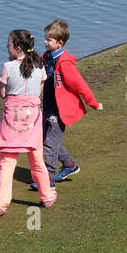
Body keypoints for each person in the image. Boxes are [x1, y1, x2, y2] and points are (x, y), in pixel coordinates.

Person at [0, 30, 56, 217]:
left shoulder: (8, 67)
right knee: (36, 159)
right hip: (33, 117)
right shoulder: (40, 65)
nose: (7, 47)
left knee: (7, 161)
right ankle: (46, 196)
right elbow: (38, 92)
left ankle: (1, 204)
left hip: (12, 117)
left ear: (17, 48)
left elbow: (2, 93)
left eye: (9, 44)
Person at [38, 19, 103, 191]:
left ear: (59, 43)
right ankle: (70, 165)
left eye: (49, 39)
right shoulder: (46, 57)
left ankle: (48, 180)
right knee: (47, 140)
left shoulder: (65, 64)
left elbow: (80, 85)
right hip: (48, 106)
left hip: (60, 110)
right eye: (45, 38)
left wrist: (93, 103)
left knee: (49, 144)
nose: (45, 42)